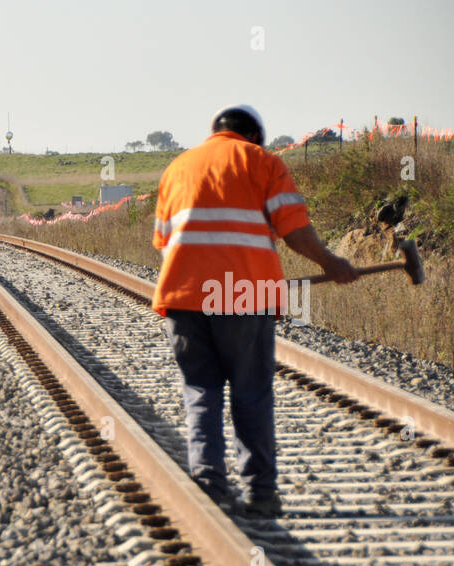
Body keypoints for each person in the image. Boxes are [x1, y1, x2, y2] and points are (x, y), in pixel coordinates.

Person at [152, 104, 358, 516]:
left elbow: (162, 240)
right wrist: (331, 264)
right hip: (242, 294)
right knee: (250, 392)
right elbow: (295, 231)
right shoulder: (263, 162)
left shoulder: (178, 167)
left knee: (201, 389)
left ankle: (209, 483)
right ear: (254, 136)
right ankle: (260, 494)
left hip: (185, 295)